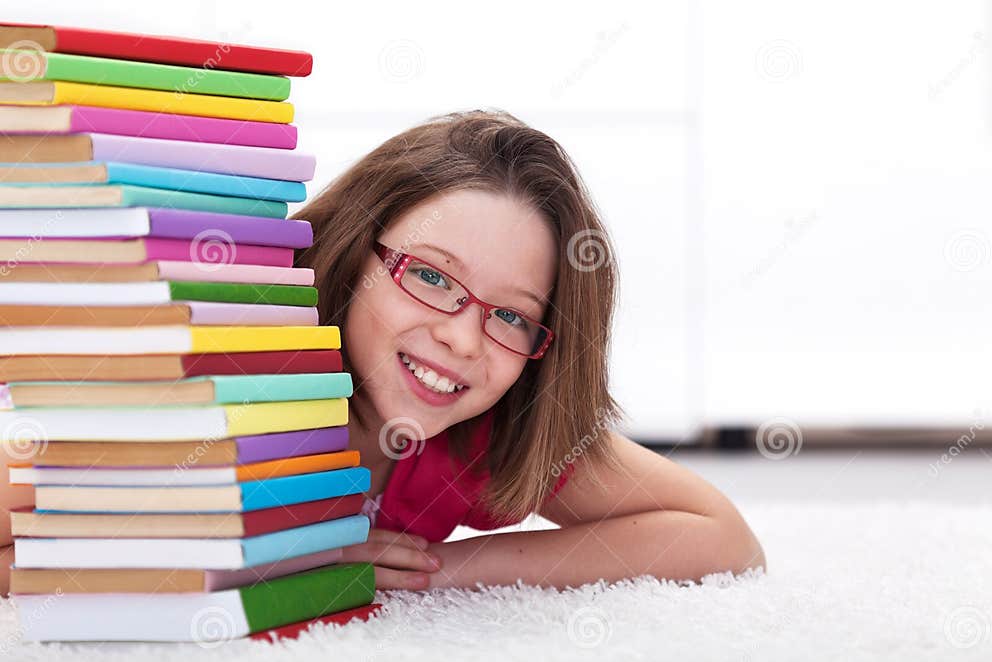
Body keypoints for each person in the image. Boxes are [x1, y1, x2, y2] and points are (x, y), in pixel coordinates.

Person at [292, 109, 767, 590]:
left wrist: (437, 568)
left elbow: (724, 538)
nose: (462, 339)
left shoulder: (491, 434)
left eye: (512, 317)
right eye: (430, 276)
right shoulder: (246, 357)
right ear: (351, 251)